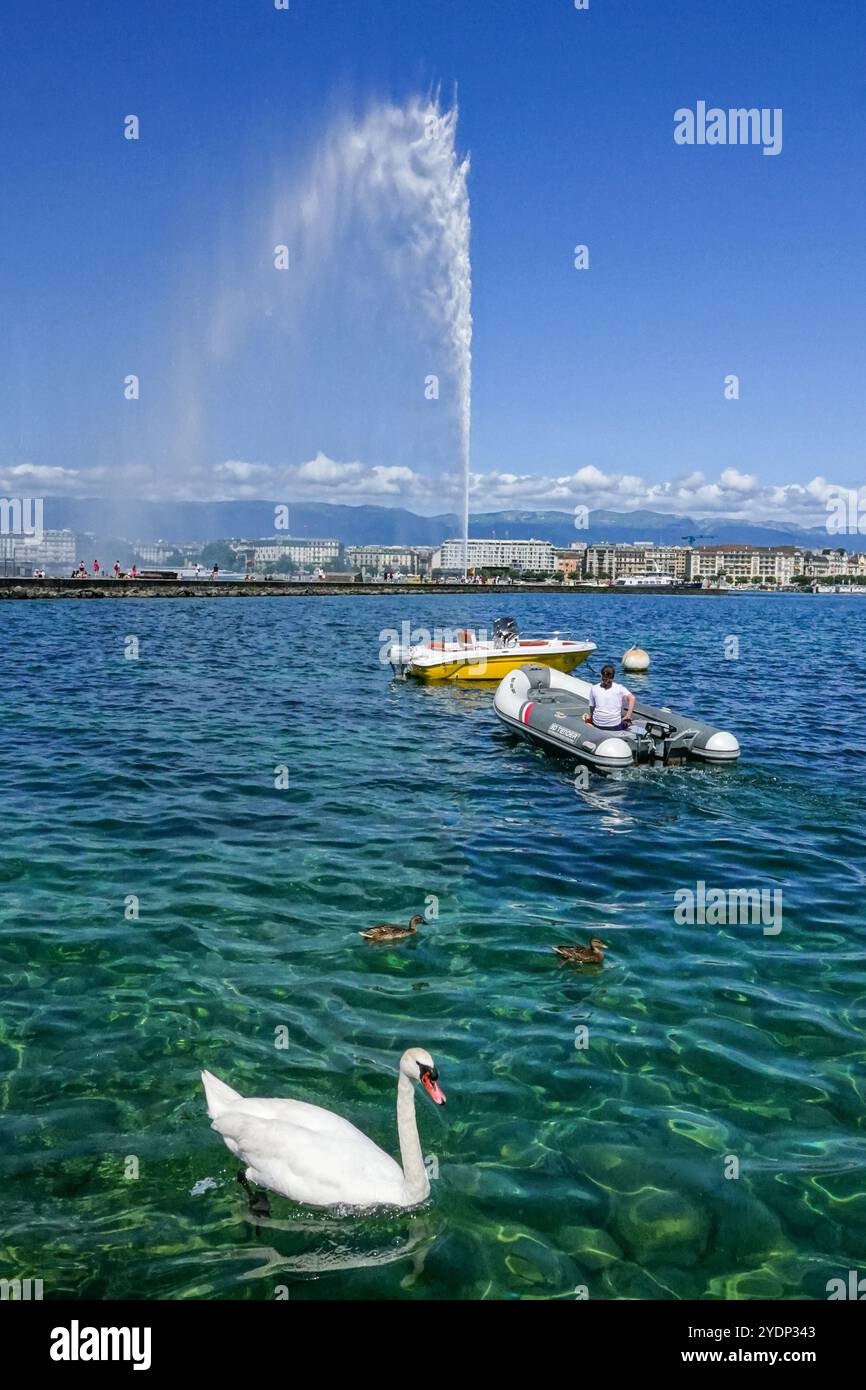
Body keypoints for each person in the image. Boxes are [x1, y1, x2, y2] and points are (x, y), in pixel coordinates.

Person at [585, 664, 636, 730]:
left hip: (598, 724)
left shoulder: (594, 688)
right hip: (614, 726)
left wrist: (593, 717)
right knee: (627, 723)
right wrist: (628, 715)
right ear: (613, 677)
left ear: (601, 675)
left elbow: (591, 707)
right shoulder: (619, 688)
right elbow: (632, 698)